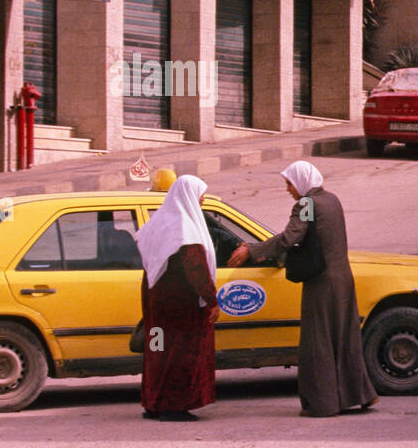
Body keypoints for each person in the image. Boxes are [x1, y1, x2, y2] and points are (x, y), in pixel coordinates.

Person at [228, 161, 377, 417]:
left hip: (321, 283)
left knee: (317, 341)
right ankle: (357, 394)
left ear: (302, 181)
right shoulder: (331, 200)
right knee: (343, 338)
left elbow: (290, 238)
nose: (288, 189)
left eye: (290, 183)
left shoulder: (307, 205)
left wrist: (251, 250)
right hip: (342, 279)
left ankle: (323, 403)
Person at [135, 175, 219, 422]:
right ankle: (173, 405)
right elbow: (196, 269)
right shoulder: (185, 230)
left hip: (156, 304)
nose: (203, 198)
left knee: (156, 350)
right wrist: (211, 300)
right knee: (179, 353)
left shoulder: (160, 222)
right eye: (201, 193)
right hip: (180, 308)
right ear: (189, 195)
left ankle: (154, 403)